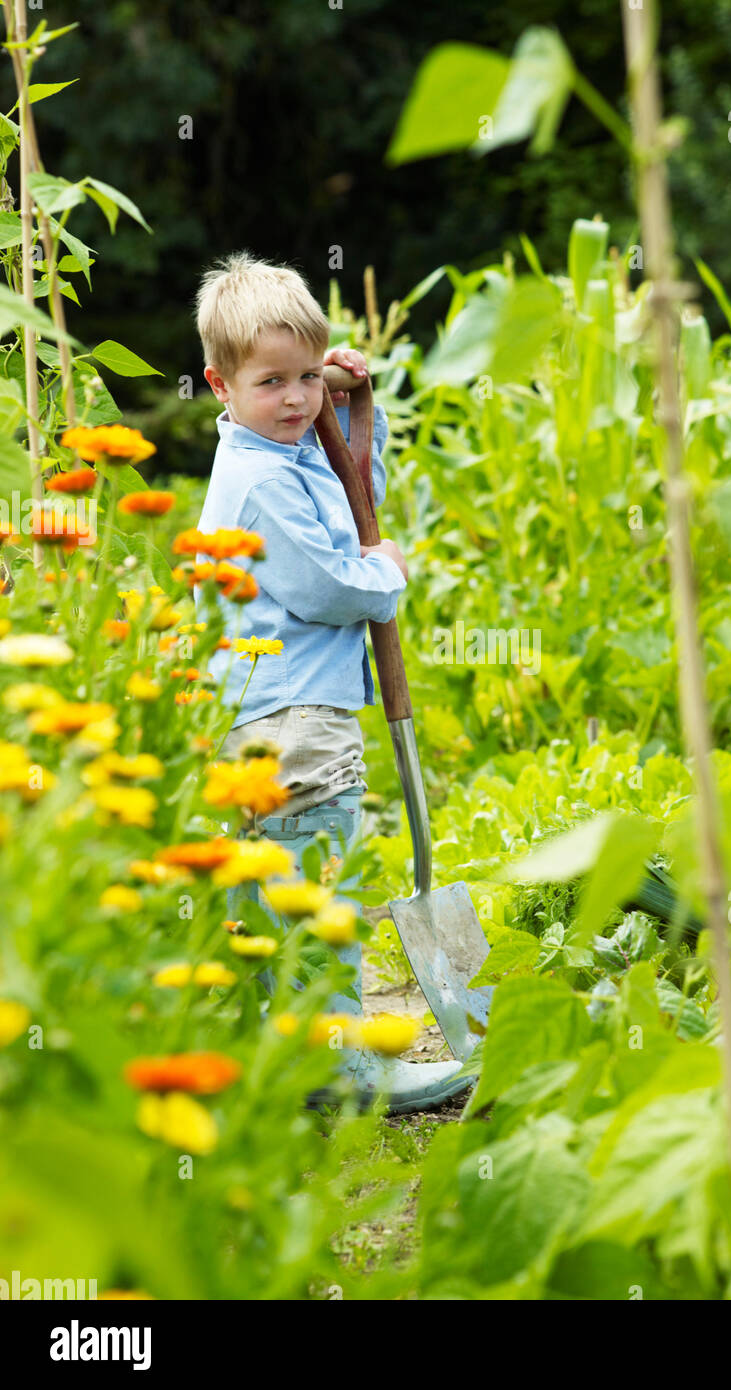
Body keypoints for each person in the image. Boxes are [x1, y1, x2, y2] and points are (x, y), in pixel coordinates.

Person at [192, 250, 471, 1114]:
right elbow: (326, 584)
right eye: (272, 382)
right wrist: (386, 574)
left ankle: (278, 1056)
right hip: (297, 719)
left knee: (273, 900)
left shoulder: (278, 454)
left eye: (308, 377)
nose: (296, 400)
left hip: (257, 717)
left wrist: (357, 423)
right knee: (320, 897)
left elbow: (352, 501)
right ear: (217, 384)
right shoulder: (260, 479)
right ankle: (341, 1070)